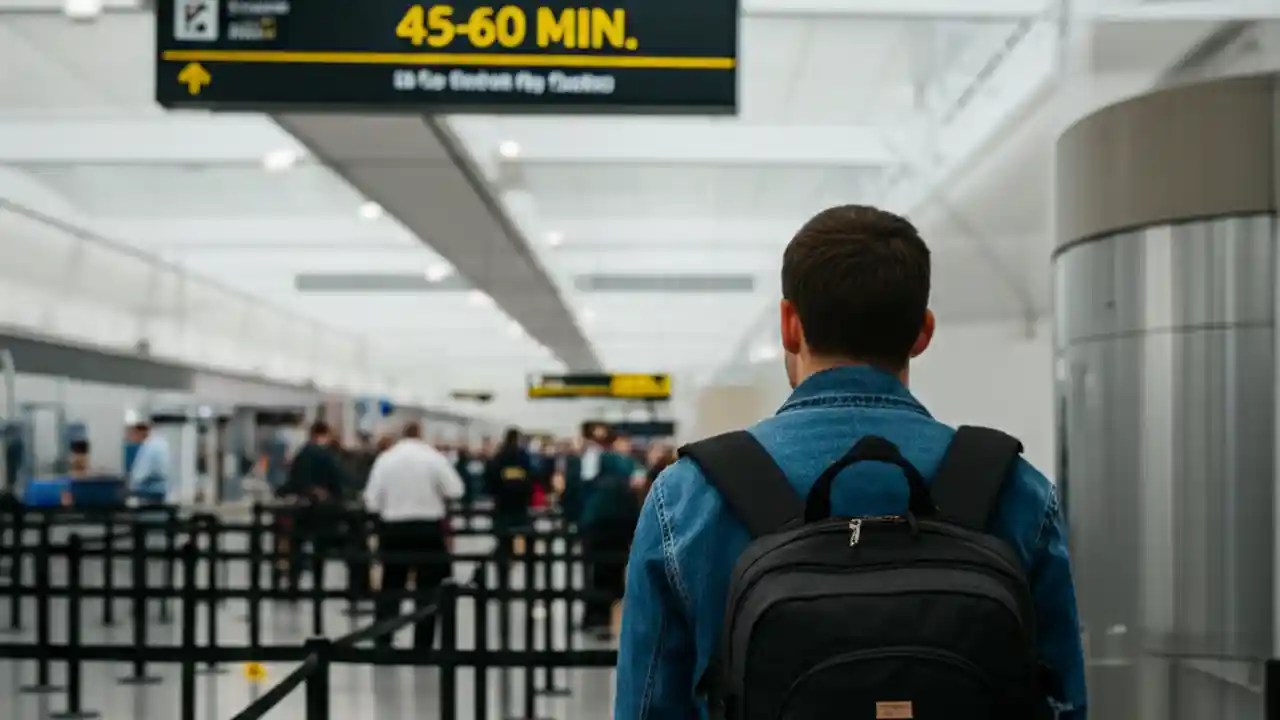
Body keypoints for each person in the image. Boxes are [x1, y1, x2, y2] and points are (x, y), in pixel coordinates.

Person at [615, 205, 1086, 720]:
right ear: (922, 333)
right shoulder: (1015, 490)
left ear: (789, 325)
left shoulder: (688, 498)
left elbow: (648, 707)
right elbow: (1064, 705)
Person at [364, 421, 464, 648]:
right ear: (421, 434)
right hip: (428, 528)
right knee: (428, 588)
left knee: (391, 584)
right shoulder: (433, 457)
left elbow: (371, 500)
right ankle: (423, 642)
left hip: (394, 529)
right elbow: (456, 489)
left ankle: (384, 638)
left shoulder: (386, 459)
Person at [579, 434, 643, 634]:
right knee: (609, 573)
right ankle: (599, 619)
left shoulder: (603, 463)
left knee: (601, 573)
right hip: (615, 526)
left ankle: (597, 619)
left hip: (602, 525)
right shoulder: (627, 466)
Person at [484, 428, 534, 556]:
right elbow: (531, 477)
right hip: (520, 504)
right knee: (526, 536)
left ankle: (504, 564)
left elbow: (491, 478)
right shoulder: (524, 457)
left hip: (503, 504)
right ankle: (527, 561)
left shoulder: (499, 457)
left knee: (503, 540)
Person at [127, 422, 171, 504]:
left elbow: (141, 472)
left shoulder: (149, 446)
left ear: (140, 432)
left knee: (149, 514)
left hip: (150, 491)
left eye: (134, 434)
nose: (133, 438)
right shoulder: (161, 443)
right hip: (160, 489)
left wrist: (130, 487)